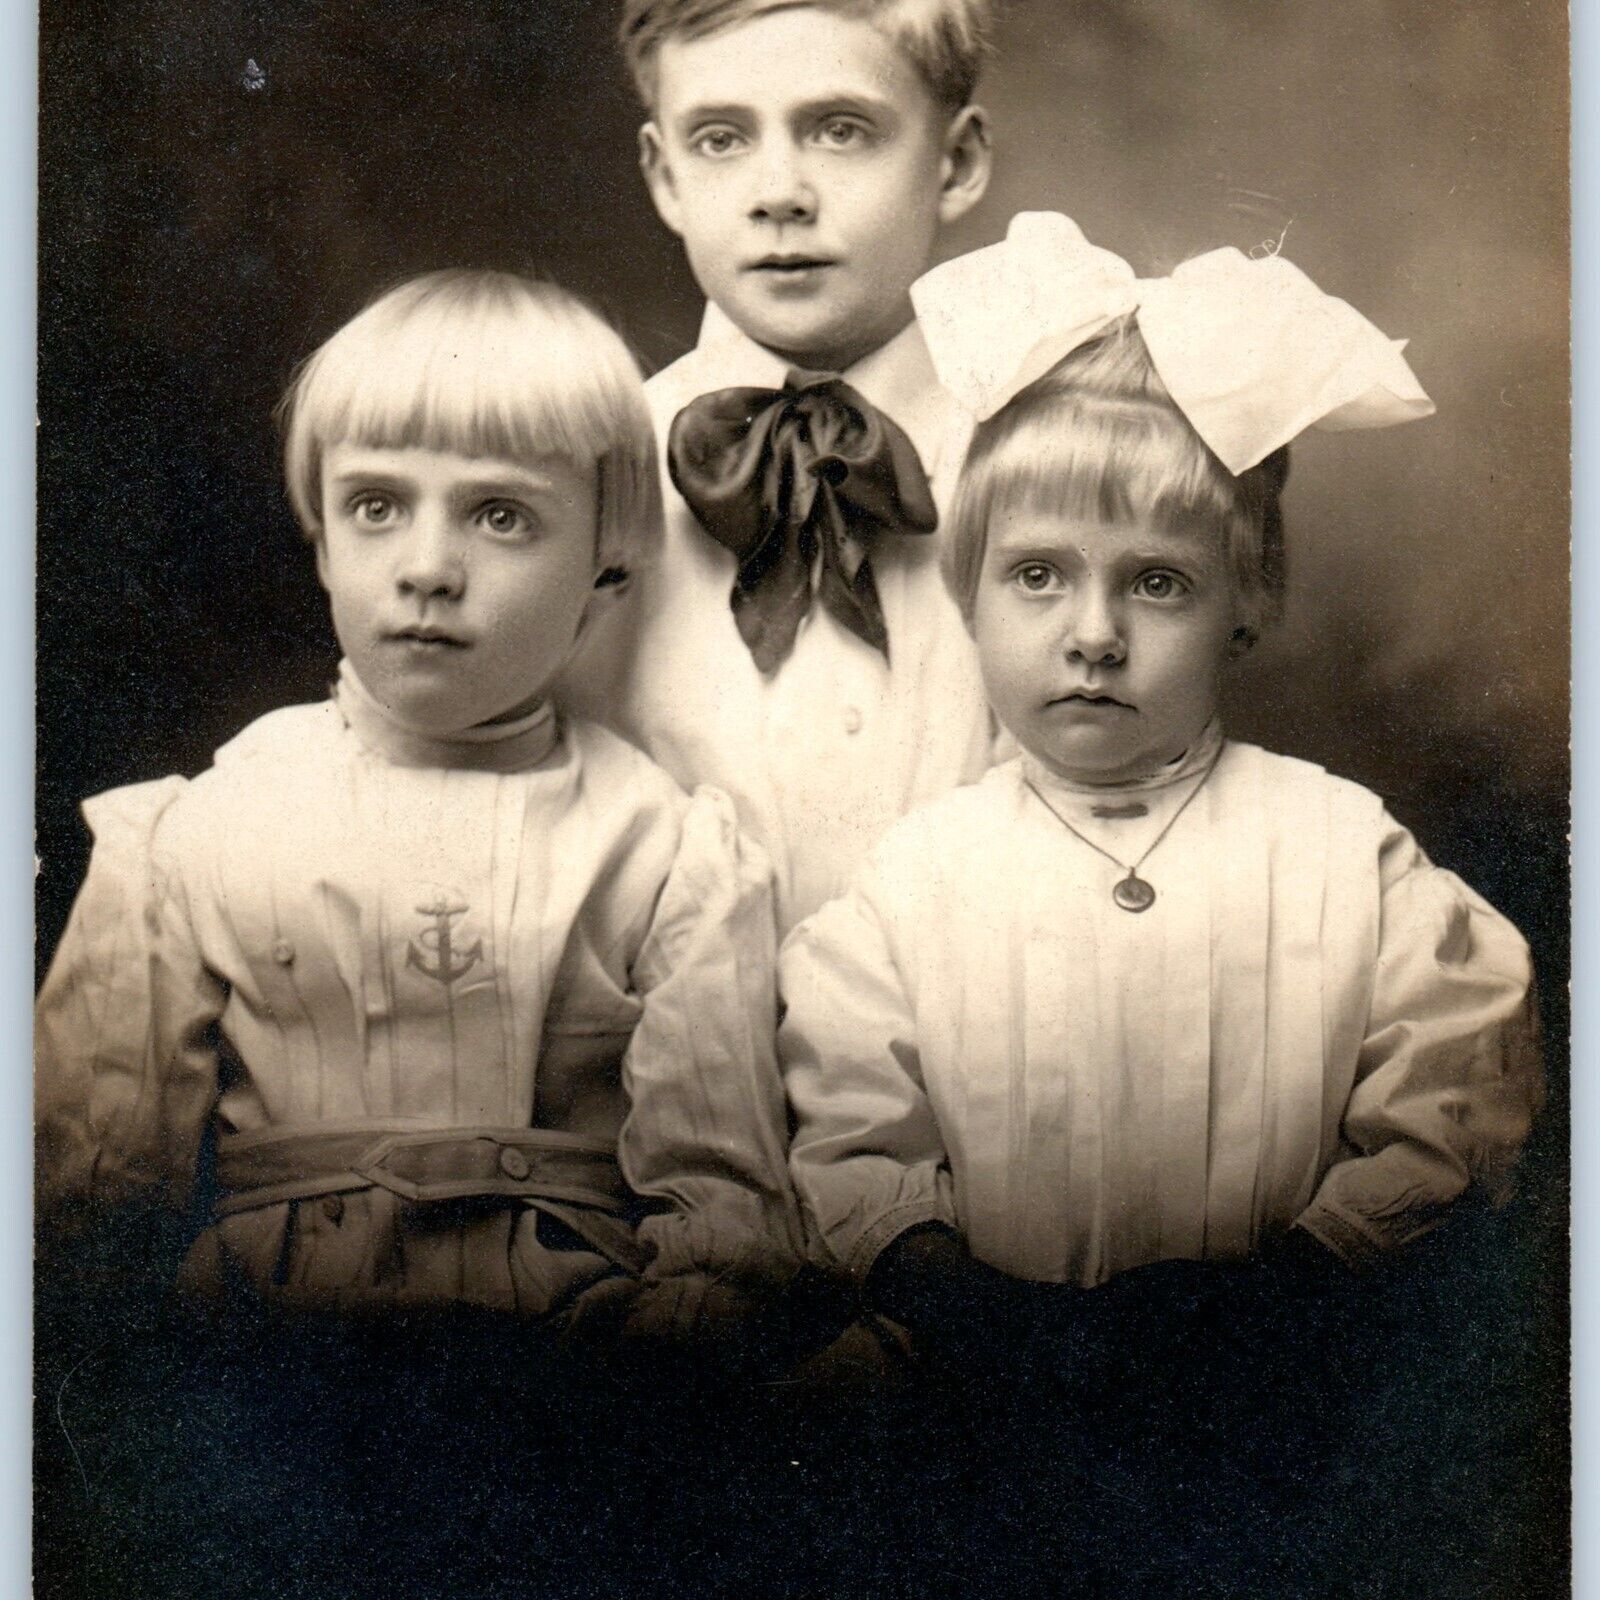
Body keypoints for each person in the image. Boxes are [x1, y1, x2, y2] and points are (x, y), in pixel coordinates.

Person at [781, 213, 1542, 1363]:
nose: (1094, 635)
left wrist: (1282, 1298)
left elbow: (1453, 1095)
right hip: (991, 1391)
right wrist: (970, 1311)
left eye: (1156, 582)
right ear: (968, 595)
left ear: (1246, 603)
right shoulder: (916, 879)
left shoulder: (1340, 850)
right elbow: (852, 1134)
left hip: (1282, 1387)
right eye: (1038, 575)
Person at [35, 269, 804, 1347]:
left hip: (572, 1361)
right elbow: (91, 1191)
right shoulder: (206, 829)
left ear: (606, 569)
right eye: (376, 507)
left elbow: (721, 1195)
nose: (428, 569)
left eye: (500, 515)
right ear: (321, 543)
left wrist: (674, 1345)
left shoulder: (663, 847)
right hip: (269, 1362)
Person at [557, 0, 998, 933]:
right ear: (663, 176)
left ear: (954, 164)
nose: (781, 191)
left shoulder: (1042, 464)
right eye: (720, 139)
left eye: (842, 132)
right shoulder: (585, 475)